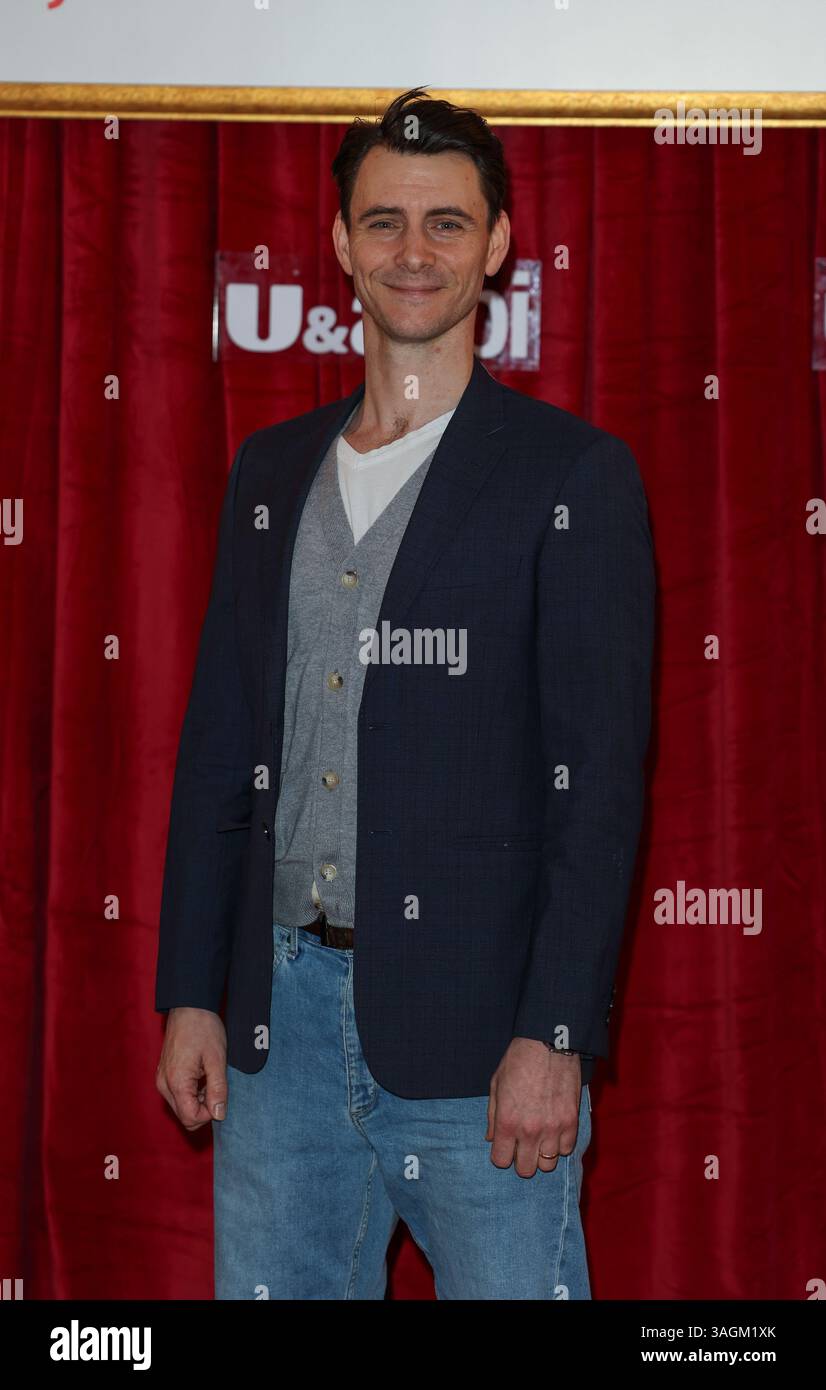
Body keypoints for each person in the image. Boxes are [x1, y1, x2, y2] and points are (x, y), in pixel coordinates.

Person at [154, 86, 655, 1300]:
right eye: (383, 222)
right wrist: (191, 992)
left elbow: (597, 792)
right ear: (339, 246)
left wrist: (556, 1033)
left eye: (444, 224)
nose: (412, 252)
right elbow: (222, 750)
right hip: (276, 1024)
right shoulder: (270, 472)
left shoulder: (571, 474)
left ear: (494, 246)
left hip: (483, 1038)